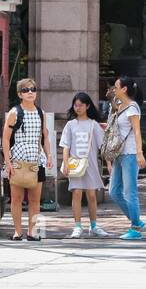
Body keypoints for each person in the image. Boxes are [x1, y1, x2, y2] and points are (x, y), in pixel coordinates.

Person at [2, 78, 53, 241]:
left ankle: (32, 231)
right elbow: (5, 138)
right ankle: (17, 231)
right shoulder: (14, 113)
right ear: (19, 94)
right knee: (16, 198)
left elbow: (45, 136)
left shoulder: (41, 113)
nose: (30, 92)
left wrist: (49, 155)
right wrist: (8, 163)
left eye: (33, 89)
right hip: (18, 159)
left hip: (37, 161)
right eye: (26, 90)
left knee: (35, 199)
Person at [60, 92, 109, 237]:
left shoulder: (94, 125)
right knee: (76, 193)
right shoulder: (70, 125)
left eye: (81, 105)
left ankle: (93, 226)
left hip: (91, 165)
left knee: (92, 195)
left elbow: (103, 147)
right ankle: (77, 226)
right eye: (76, 105)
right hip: (75, 165)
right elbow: (65, 146)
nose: (78, 108)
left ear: (87, 106)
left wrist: (109, 164)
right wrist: (66, 163)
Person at [106, 76, 146, 240]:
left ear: (124, 89)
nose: (113, 89)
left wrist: (139, 153)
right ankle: (136, 219)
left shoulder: (132, 108)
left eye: (116, 87)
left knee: (130, 192)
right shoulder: (119, 106)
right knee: (114, 191)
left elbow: (137, 131)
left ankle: (135, 228)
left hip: (130, 153)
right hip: (118, 153)